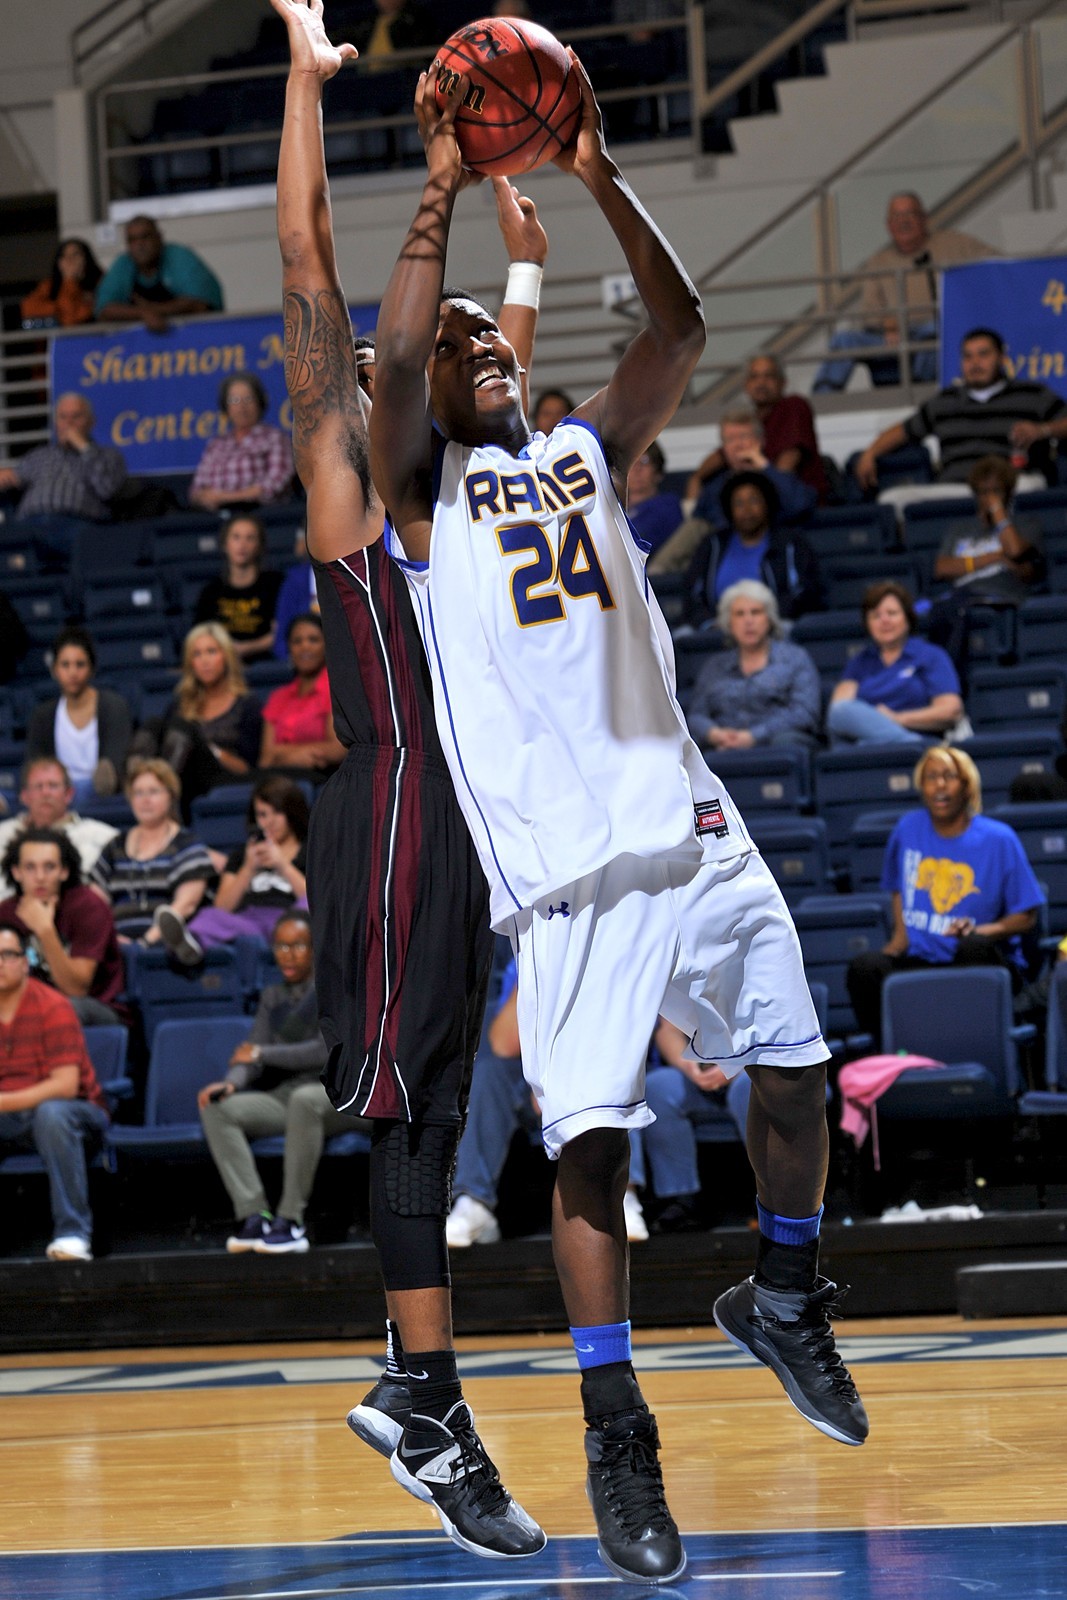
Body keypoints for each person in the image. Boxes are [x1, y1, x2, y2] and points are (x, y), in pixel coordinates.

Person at [371, 44, 866, 1588]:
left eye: (494, 341)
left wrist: (588, 177)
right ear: (446, 392)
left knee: (793, 1079)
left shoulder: (585, 447)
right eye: (465, 348)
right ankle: (613, 1424)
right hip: (572, 880)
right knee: (588, 1150)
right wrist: (444, 207)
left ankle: (783, 1291)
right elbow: (395, 366)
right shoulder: (420, 503)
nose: (481, 348)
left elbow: (680, 324)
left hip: (693, 825)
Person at [272, 0, 547, 1563]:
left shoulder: (476, 506)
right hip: (383, 811)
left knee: (445, 1115)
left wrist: (516, 253)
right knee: (398, 1114)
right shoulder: (346, 490)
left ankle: (417, 1386)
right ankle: (427, 1396)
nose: (435, 356)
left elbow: (478, 367)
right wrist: (316, 88)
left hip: (472, 822)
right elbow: (316, 273)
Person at [446, 959, 649, 1248]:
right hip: (529, 1086)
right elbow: (504, 1045)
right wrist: (538, 969)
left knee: (617, 1071)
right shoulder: (530, 956)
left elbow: (611, 1034)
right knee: (487, 1073)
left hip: (586, 1074)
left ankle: (623, 1197)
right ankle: (474, 1204)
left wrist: (557, 1081)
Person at [846, 745, 1043, 1043]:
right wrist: (899, 938)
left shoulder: (999, 838)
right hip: (922, 958)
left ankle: (981, 1049)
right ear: (921, 787)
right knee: (865, 968)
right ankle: (890, 1061)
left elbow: (1027, 916)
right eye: (931, 777)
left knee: (971, 948)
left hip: (978, 957)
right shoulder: (907, 828)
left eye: (949, 776)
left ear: (966, 786)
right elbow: (899, 888)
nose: (939, 785)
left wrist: (981, 931)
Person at [198, 910, 363, 1253]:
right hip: (287, 1097)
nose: (288, 954)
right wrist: (231, 1083)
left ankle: (291, 1221)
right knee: (219, 1108)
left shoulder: (335, 991)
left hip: (341, 1095)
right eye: (281, 946)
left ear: (316, 949)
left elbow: (322, 1051)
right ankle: (253, 1215)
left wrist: (261, 1055)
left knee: (305, 1099)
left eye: (298, 946)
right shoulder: (272, 997)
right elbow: (248, 1054)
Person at [0, 926, 110, 1262]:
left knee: (53, 1113)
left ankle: (73, 1233)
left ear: (26, 961)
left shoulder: (53, 1005)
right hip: (10, 1119)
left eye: (7, 955)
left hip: (75, 1114)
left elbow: (64, 1086)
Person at [855, 327, 1067, 499]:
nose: (975, 363)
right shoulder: (944, 402)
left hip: (1012, 485)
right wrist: (871, 452)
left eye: (983, 355)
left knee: (1029, 488)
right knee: (893, 499)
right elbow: (904, 430)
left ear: (1002, 358)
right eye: (968, 357)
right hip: (957, 489)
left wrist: (1043, 430)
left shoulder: (1032, 394)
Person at [814, 192, 995, 391]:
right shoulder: (878, 261)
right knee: (843, 339)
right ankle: (821, 398)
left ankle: (923, 389)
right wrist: (887, 323)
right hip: (895, 337)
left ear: (924, 218)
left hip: (941, 329)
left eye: (910, 214)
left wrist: (967, 299)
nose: (904, 222)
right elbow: (867, 314)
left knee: (933, 329)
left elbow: (998, 265)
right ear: (888, 225)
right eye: (897, 217)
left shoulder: (955, 243)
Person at [156, 774, 308, 964]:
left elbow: (315, 899)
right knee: (210, 915)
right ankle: (189, 944)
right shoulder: (242, 855)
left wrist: (282, 865)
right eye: (262, 814)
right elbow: (223, 906)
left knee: (309, 905)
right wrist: (248, 868)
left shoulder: (310, 851)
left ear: (292, 812)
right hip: (249, 922)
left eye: (277, 813)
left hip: (288, 921)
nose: (269, 822)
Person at [651, 404, 816, 575]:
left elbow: (800, 505)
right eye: (730, 440)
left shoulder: (776, 478)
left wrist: (763, 465)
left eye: (744, 437)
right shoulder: (715, 486)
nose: (738, 446)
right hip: (722, 560)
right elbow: (697, 528)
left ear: (760, 441)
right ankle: (653, 576)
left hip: (770, 561)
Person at [926, 454, 1045, 679]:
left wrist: (999, 514)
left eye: (996, 491)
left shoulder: (1026, 524)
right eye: (983, 492)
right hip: (962, 598)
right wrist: (991, 558)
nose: (989, 498)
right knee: (937, 608)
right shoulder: (960, 529)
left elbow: (1015, 551)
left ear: (1008, 493)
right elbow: (941, 568)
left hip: (1002, 598)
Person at [0, 828, 126, 1027]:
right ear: (16, 872)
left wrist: (45, 931)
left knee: (61, 1008)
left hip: (96, 1007)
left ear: (64, 871)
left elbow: (76, 989)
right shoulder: (6, 913)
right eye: (30, 867)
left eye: (49, 867)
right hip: (26, 1005)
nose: (40, 877)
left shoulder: (88, 907)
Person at [684, 580, 821, 750]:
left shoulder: (795, 658)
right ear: (729, 623)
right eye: (739, 614)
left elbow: (805, 712)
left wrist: (754, 736)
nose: (748, 621)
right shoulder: (714, 666)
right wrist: (714, 734)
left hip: (775, 746)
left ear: (769, 619)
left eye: (755, 612)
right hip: (722, 748)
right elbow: (697, 715)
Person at [642, 1017, 749, 1232]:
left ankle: (776, 1198)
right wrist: (692, 1068)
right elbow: (668, 1027)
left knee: (750, 1089)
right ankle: (681, 1200)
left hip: (756, 1067)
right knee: (657, 1087)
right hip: (703, 1072)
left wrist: (736, 1065)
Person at [90, 760, 213, 944]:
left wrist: (146, 942)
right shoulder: (115, 846)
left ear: (171, 797)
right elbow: (94, 903)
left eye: (153, 792)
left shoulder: (187, 844)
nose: (145, 800)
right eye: (138, 793)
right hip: (115, 944)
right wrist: (110, 940)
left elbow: (186, 905)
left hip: (167, 946)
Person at [827, 581, 963, 747]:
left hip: (916, 743)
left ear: (907, 618)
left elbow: (951, 711)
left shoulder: (930, 655)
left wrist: (897, 718)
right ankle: (914, 745)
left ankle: (912, 746)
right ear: (867, 624)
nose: (884, 620)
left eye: (892, 613)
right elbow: (839, 712)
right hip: (868, 753)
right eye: (875, 616)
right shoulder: (860, 662)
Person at [0, 394, 127, 567]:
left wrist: (84, 447)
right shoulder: (39, 455)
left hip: (76, 526)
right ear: (56, 423)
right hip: (30, 526)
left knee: (97, 548)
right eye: (63, 417)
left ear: (91, 422)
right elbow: (14, 477)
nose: (69, 423)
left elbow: (107, 489)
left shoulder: (107, 456)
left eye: (76, 417)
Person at [148, 623, 263, 813]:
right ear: (190, 662)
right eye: (197, 654)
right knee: (154, 724)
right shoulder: (179, 705)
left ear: (226, 656)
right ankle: (137, 772)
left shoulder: (247, 704)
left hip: (222, 780)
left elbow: (248, 769)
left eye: (211, 651)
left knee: (183, 728)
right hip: (186, 781)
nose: (204, 661)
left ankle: (164, 797)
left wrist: (211, 751)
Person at [685, 471, 822, 628]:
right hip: (719, 630)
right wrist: (712, 624)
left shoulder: (790, 542)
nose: (747, 509)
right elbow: (692, 596)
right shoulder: (712, 545)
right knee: (682, 635)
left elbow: (803, 593)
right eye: (738, 503)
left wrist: (764, 621)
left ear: (767, 503)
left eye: (754, 500)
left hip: (776, 626)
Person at [688, 357, 827, 505]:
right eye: (754, 377)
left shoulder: (794, 406)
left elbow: (784, 472)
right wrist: (696, 478)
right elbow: (722, 454)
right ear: (746, 385)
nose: (761, 383)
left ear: (783, 382)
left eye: (769, 376)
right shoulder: (751, 423)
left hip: (799, 508)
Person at [27, 627, 132, 807]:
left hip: (99, 792)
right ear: (55, 670)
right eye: (65, 665)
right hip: (56, 792)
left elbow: (115, 764)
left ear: (91, 669)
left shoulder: (113, 706)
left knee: (81, 788)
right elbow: (34, 762)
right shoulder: (43, 714)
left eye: (80, 664)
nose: (73, 672)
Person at [0, 757, 117, 888]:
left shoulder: (103, 837)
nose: (46, 793)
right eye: (38, 786)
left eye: (53, 785)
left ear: (69, 794)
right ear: (24, 796)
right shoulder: (2, 834)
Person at [95, 215, 224, 331]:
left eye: (145, 237)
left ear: (159, 237)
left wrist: (151, 310)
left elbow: (199, 304)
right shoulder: (124, 263)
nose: (139, 244)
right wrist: (143, 313)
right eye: (132, 240)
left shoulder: (178, 256)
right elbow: (103, 311)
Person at [189, 371, 294, 510]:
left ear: (259, 402)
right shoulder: (216, 444)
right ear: (226, 407)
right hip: (217, 517)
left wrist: (224, 498)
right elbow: (196, 490)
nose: (242, 407)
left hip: (261, 514)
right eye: (234, 400)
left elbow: (276, 483)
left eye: (248, 399)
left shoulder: (275, 438)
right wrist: (205, 497)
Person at [259, 614, 344, 775]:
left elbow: (339, 749)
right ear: (289, 648)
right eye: (297, 641)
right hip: (278, 779)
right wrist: (293, 759)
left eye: (313, 640)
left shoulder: (337, 689)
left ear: (327, 644)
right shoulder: (278, 697)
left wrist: (282, 755)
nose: (305, 646)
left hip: (323, 775)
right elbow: (265, 758)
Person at [194, 514, 285, 661]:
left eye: (250, 538)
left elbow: (281, 632)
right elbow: (200, 636)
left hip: (266, 663)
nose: (242, 545)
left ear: (260, 545)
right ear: (225, 544)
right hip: (221, 664)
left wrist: (244, 648)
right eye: (236, 537)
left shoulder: (275, 584)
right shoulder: (211, 591)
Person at [20, 239, 103, 328]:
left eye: (75, 254)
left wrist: (70, 282)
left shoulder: (100, 283)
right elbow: (27, 308)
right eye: (64, 256)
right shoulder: (49, 285)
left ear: (86, 259)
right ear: (59, 262)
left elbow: (72, 319)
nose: (69, 260)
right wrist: (58, 309)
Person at [625, 439, 682, 553]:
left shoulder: (667, 506)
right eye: (632, 461)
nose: (637, 469)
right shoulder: (613, 508)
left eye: (645, 461)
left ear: (657, 472)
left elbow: (642, 540)